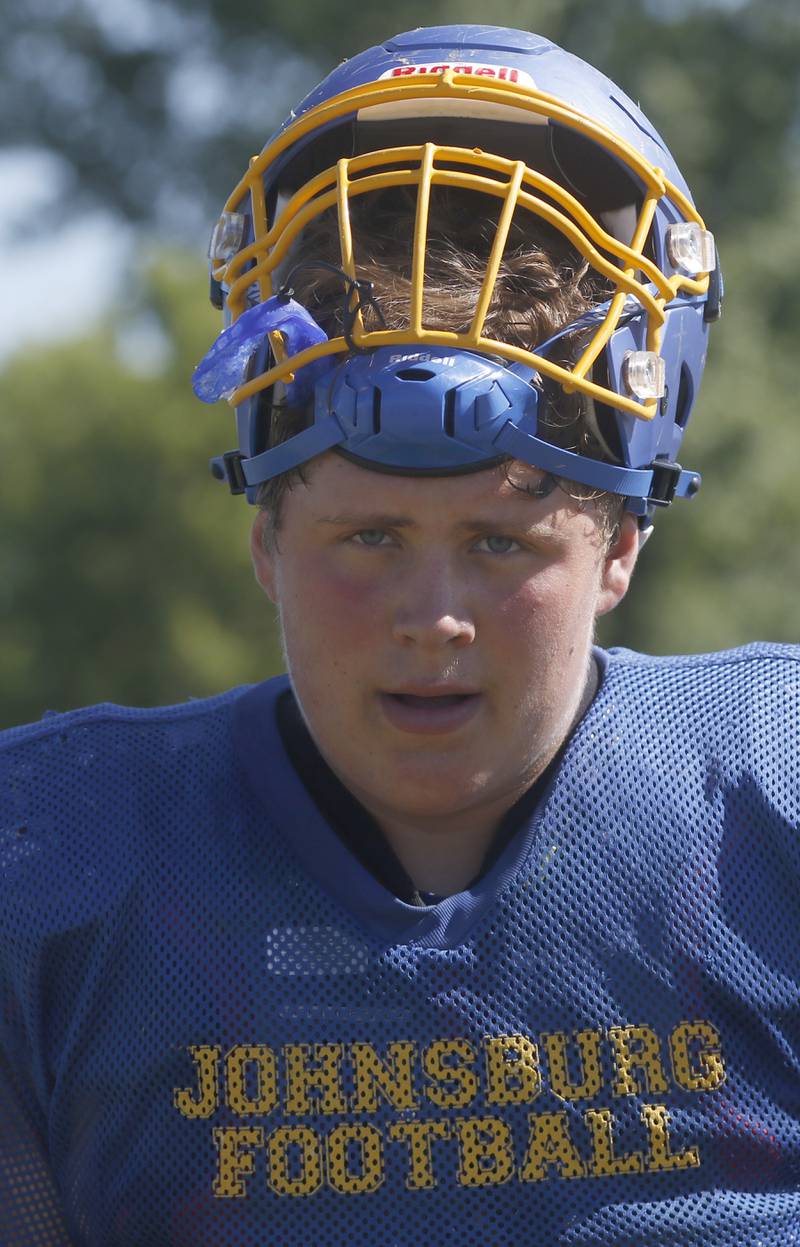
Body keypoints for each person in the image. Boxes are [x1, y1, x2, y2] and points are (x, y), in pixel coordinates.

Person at [1, 23, 797, 1247]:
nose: (433, 618)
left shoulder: (767, 804)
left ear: (618, 549)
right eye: (368, 536)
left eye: (500, 541)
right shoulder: (50, 864)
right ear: (266, 541)